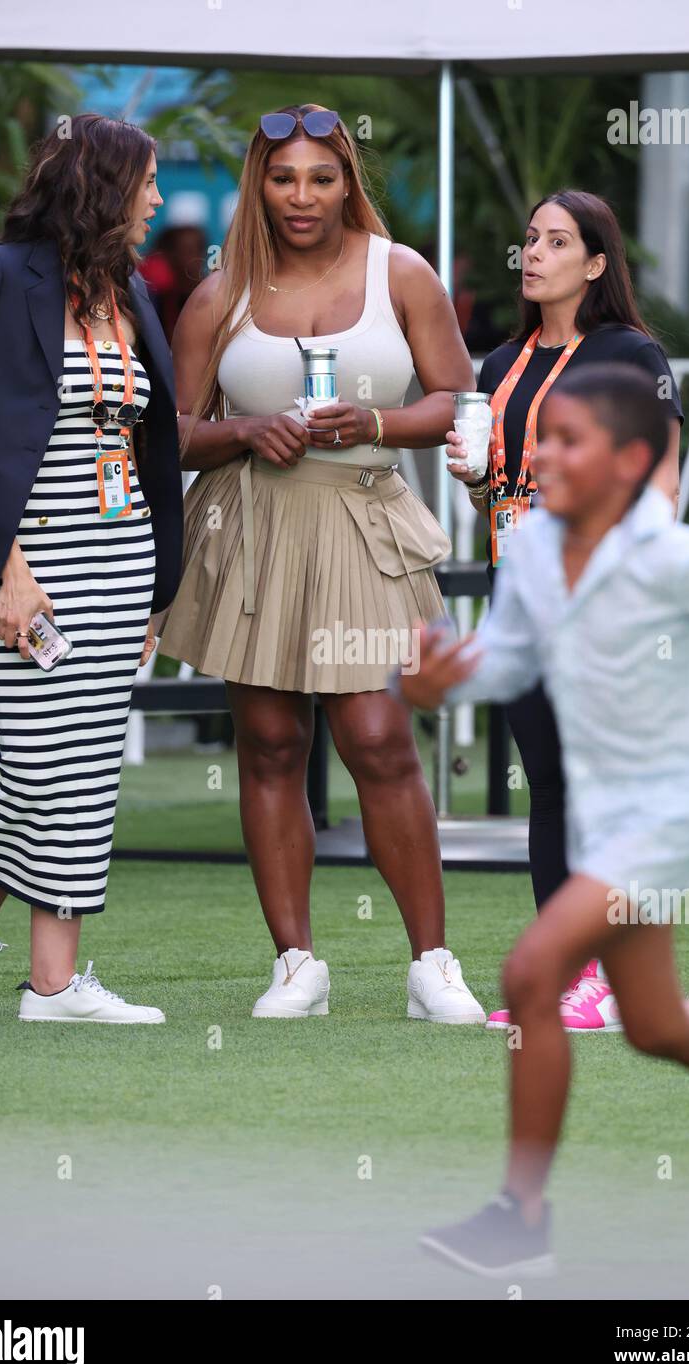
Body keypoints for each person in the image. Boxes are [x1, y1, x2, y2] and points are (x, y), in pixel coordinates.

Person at [394, 363, 689, 1276]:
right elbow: (508, 663)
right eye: (542, 438)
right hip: (606, 805)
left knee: (533, 971)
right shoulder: (532, 545)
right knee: (658, 1026)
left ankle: (520, 1220)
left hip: (683, 800)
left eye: (566, 439)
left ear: (630, 460)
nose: (540, 452)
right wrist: (439, 681)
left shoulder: (680, 557)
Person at [156, 104, 485, 1022]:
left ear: (349, 182)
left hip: (365, 527)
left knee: (378, 739)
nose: (302, 196)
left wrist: (373, 421)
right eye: (282, 177)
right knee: (268, 746)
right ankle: (296, 963)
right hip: (254, 530)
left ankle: (433, 965)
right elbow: (172, 435)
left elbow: (458, 399)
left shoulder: (401, 273)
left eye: (321, 178)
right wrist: (243, 430)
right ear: (258, 185)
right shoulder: (219, 294)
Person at [0, 115, 183, 1023]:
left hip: (120, 560)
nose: (158, 199)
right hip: (28, 566)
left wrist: (159, 584)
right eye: (147, 182)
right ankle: (51, 985)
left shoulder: (131, 293)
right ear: (105, 186)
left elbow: (150, 446)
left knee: (65, 763)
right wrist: (4, 567)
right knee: (52, 764)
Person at [446, 190, 683, 1032]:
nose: (534, 254)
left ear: (595, 263)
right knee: (548, 784)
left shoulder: (630, 353)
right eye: (529, 240)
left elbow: (661, 484)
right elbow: (504, 507)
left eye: (557, 241)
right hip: (521, 596)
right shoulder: (499, 365)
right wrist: (476, 482)